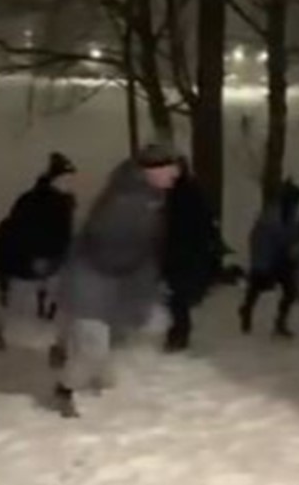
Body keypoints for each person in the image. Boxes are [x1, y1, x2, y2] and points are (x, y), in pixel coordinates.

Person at [52, 144, 181, 418]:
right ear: (151, 171)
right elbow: (106, 247)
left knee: (105, 342)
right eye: (170, 169)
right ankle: (64, 389)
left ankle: (74, 357)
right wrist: (136, 272)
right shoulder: (126, 200)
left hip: (110, 283)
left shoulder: (150, 197)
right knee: (93, 347)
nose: (176, 174)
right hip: (91, 280)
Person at [0, 152, 77, 351]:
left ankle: (60, 344)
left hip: (35, 263)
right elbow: (29, 234)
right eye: (66, 179)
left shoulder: (45, 201)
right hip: (32, 263)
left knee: (62, 298)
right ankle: (60, 344)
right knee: (59, 297)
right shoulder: (48, 205)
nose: (70, 184)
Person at [161, 160, 222, 352]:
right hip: (189, 252)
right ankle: (180, 333)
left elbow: (172, 225)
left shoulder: (175, 195)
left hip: (181, 252)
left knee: (177, 296)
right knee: (179, 297)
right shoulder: (193, 193)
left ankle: (179, 334)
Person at [239, 180, 299, 339]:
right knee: (258, 286)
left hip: (281, 257)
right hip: (269, 256)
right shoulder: (272, 214)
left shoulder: (289, 213)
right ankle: (247, 310)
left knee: (288, 291)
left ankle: (279, 322)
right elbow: (267, 237)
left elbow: (289, 233)